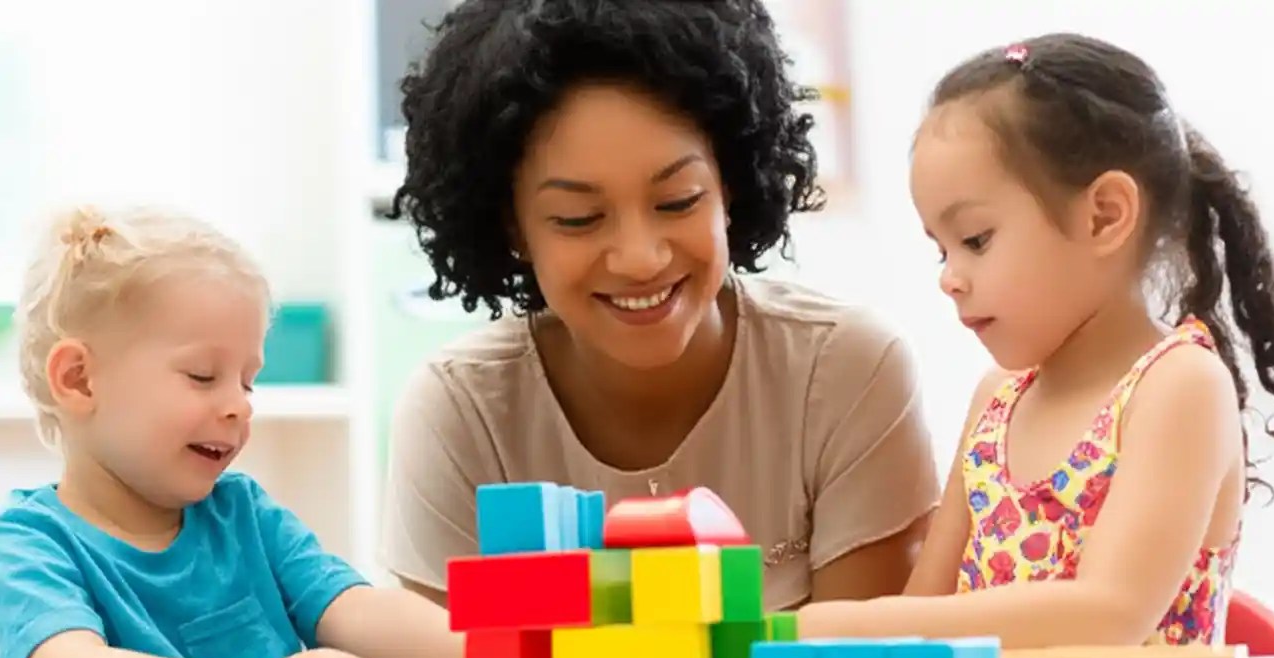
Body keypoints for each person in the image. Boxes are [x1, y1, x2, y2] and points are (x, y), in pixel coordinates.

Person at [379, 0, 942, 612]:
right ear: (512, 227)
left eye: (677, 201)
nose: (640, 257)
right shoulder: (462, 414)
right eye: (579, 218)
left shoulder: (847, 372)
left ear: (729, 187)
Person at [798, 32, 1274, 648]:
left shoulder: (1179, 385)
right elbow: (922, 616)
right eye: (940, 250)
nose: (949, 278)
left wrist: (847, 622)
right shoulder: (995, 403)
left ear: (1104, 215)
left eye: (975, 240)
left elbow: (1108, 615)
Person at [0, 206, 463, 658]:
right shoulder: (24, 551)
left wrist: (510, 651)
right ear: (80, 379)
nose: (240, 405)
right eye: (202, 375)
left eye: (247, 381)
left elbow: (356, 610)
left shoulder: (246, 516)